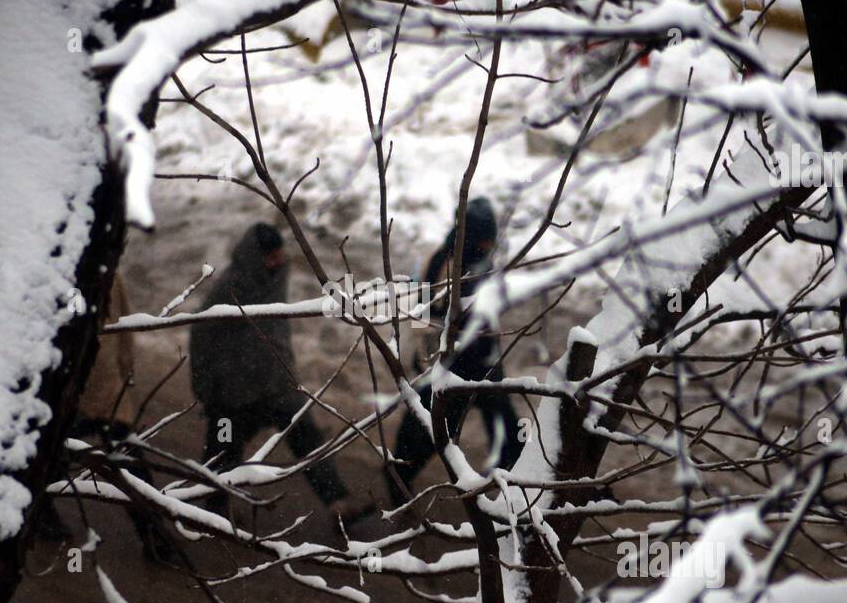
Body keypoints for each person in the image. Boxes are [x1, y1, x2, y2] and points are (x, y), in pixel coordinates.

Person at [190, 223, 351, 515]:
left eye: (280, 254)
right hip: (233, 393)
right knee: (223, 449)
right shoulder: (229, 288)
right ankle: (214, 514)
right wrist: (204, 388)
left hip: (276, 384)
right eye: (271, 256)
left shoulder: (275, 277)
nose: (278, 260)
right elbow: (201, 336)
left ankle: (338, 504)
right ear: (255, 256)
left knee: (307, 438)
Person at [386, 198, 523, 508]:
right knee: (427, 433)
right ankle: (399, 479)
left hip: (482, 363)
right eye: (486, 237)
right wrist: (425, 356)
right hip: (452, 367)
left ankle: (518, 491)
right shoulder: (445, 264)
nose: (490, 244)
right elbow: (423, 315)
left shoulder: (477, 258)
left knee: (506, 429)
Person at [35, 273, 174, 564]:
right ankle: (39, 513)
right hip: (77, 393)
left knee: (127, 464)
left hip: (103, 390)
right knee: (54, 456)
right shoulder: (74, 274)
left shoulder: (106, 272)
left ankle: (155, 536)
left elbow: (122, 325)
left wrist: (125, 369)